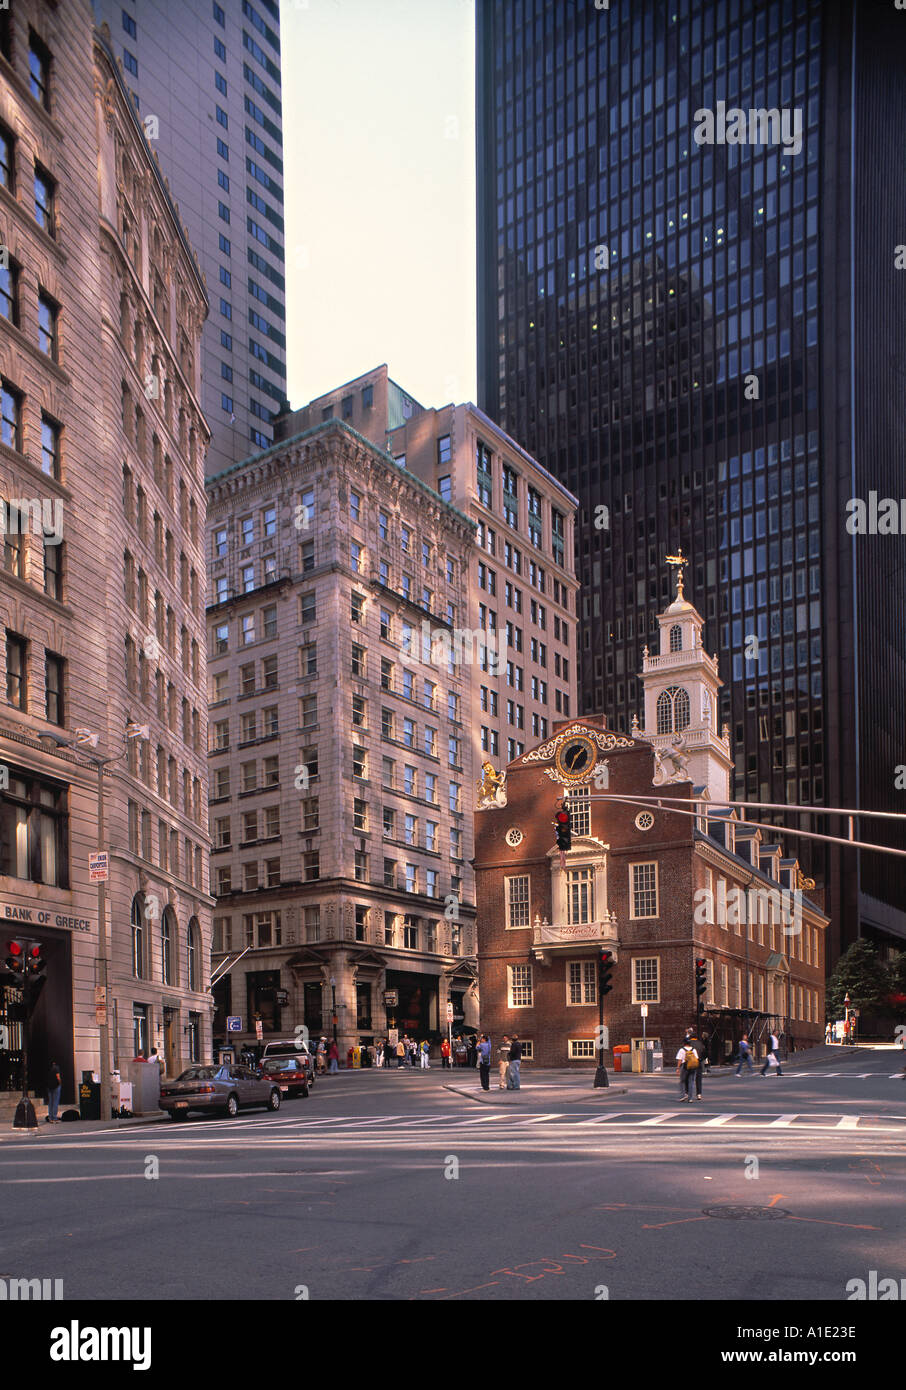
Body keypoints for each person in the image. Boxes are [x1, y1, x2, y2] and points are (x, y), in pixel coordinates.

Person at [675, 1033, 700, 1102]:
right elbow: (696, 1058)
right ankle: (690, 1098)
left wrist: (678, 1068)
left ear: (684, 1043)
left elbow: (680, 1060)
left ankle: (683, 1096)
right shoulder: (693, 1050)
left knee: (682, 1081)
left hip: (685, 1066)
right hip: (693, 1067)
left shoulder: (682, 1050)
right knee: (691, 1082)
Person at [684, 1028, 706, 1098]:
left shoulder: (689, 1043)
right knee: (698, 1078)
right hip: (698, 1062)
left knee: (688, 1078)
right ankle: (699, 1094)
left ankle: (687, 1093)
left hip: (689, 1063)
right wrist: (702, 1059)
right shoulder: (700, 1043)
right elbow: (705, 1052)